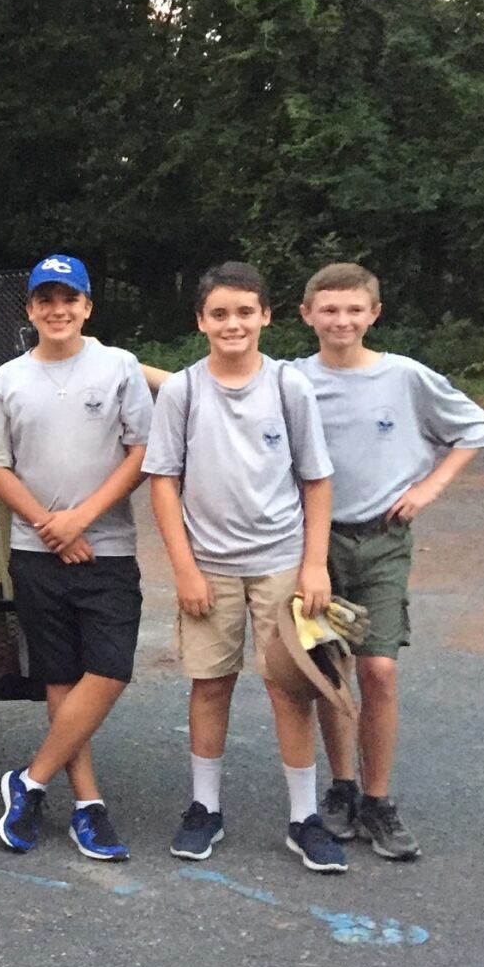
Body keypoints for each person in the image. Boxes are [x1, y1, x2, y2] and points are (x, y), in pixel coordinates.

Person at [293, 263, 484, 859]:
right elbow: (207, 382)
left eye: (354, 310)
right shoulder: (292, 380)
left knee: (377, 669)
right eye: (329, 310)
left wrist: (429, 488)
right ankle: (342, 787)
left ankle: (379, 801)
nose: (342, 321)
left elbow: (475, 431)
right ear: (306, 314)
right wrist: (122, 362)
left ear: (373, 314)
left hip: (382, 539)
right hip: (316, 542)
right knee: (329, 669)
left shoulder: (404, 376)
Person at [142, 261, 347, 874]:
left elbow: (317, 479)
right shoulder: (182, 390)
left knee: (291, 688)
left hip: (282, 564)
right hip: (209, 565)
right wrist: (184, 568)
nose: (233, 324)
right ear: (201, 321)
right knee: (210, 683)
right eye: (220, 314)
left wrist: (315, 565)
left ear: (266, 316)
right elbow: (162, 482)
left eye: (245, 312)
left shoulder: (289, 387)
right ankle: (205, 807)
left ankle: (304, 817)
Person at [0, 256, 152, 861]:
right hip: (36, 552)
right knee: (60, 677)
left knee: (108, 670)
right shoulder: (4, 381)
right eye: (45, 300)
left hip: (107, 548)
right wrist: (50, 526)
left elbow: (141, 452)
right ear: (29, 310)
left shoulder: (118, 367)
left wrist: (81, 519)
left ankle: (28, 781)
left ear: (87, 306)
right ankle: (87, 804)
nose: (58, 310)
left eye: (69, 299)